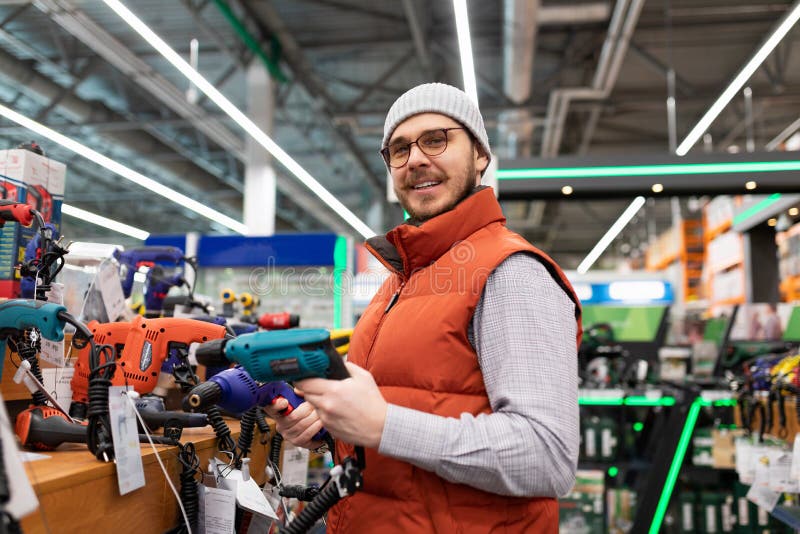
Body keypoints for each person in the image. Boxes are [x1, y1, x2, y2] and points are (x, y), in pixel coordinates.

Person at [265, 83, 582, 533]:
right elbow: (407, 408)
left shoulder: (512, 272)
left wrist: (383, 425)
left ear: (479, 155)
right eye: (399, 149)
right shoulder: (400, 280)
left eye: (436, 139)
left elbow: (546, 455)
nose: (415, 158)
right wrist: (332, 425)